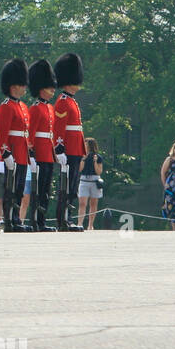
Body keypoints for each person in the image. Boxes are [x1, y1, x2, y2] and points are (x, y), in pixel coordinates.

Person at [0, 58, 32, 232]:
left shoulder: (23, 107)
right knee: (10, 189)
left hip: (22, 153)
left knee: (19, 189)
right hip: (13, 154)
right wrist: (6, 154)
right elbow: (1, 134)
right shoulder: (6, 107)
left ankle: (16, 216)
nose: (25, 87)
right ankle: (9, 218)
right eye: (21, 84)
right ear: (13, 85)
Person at [53, 52, 87, 232]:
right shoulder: (63, 101)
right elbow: (59, 127)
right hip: (68, 148)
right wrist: (59, 148)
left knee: (72, 185)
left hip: (75, 148)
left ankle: (68, 217)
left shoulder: (71, 101)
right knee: (66, 185)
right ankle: (63, 219)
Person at [26, 59, 59, 232]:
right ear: (40, 87)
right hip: (38, 153)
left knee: (45, 189)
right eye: (49, 86)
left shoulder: (49, 108)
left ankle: (42, 220)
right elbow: (31, 134)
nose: (53, 89)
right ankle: (35, 221)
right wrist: (31, 154)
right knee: (38, 190)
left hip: (48, 153)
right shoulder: (36, 108)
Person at [78, 137, 105, 231]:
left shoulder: (98, 157)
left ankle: (90, 225)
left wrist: (95, 162)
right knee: (82, 203)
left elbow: (99, 172)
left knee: (93, 203)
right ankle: (80, 223)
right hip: (84, 180)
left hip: (94, 180)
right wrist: (83, 159)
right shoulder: (82, 156)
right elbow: (80, 169)